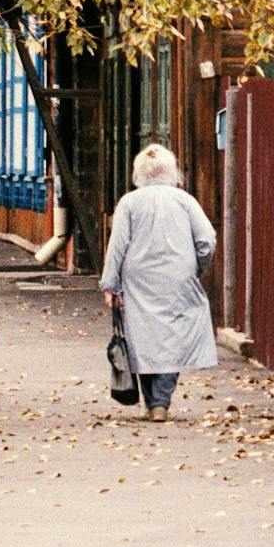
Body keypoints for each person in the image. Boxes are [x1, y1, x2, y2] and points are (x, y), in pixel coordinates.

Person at [99, 143, 217, 420]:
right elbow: (207, 240)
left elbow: (117, 246)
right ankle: (161, 402)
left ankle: (153, 402)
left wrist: (110, 284)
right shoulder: (185, 200)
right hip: (178, 277)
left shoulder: (129, 202)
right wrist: (197, 266)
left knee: (143, 339)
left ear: (138, 173)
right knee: (173, 339)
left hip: (138, 279)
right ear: (172, 171)